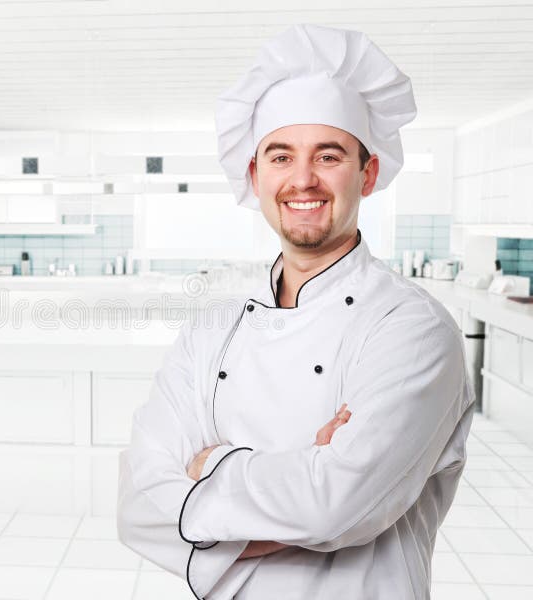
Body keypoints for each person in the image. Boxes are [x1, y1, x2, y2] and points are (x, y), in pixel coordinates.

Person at [117, 24, 474, 600]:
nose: (302, 179)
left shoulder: (414, 329)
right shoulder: (213, 328)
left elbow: (331, 506)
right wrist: (309, 470)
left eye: (328, 155)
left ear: (367, 174)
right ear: (255, 175)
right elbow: (138, 506)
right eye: (281, 156)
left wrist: (209, 466)